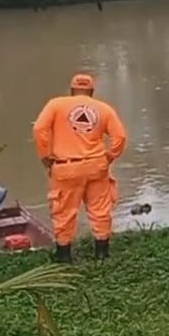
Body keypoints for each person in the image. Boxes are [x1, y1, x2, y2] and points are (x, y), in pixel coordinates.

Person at [32, 73, 128, 263]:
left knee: (64, 212)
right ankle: (102, 254)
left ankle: (64, 255)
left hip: (66, 167)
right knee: (100, 210)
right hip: (96, 166)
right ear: (91, 92)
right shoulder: (104, 109)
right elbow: (120, 137)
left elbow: (39, 129)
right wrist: (108, 157)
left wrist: (45, 157)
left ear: (71, 90)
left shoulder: (56, 104)